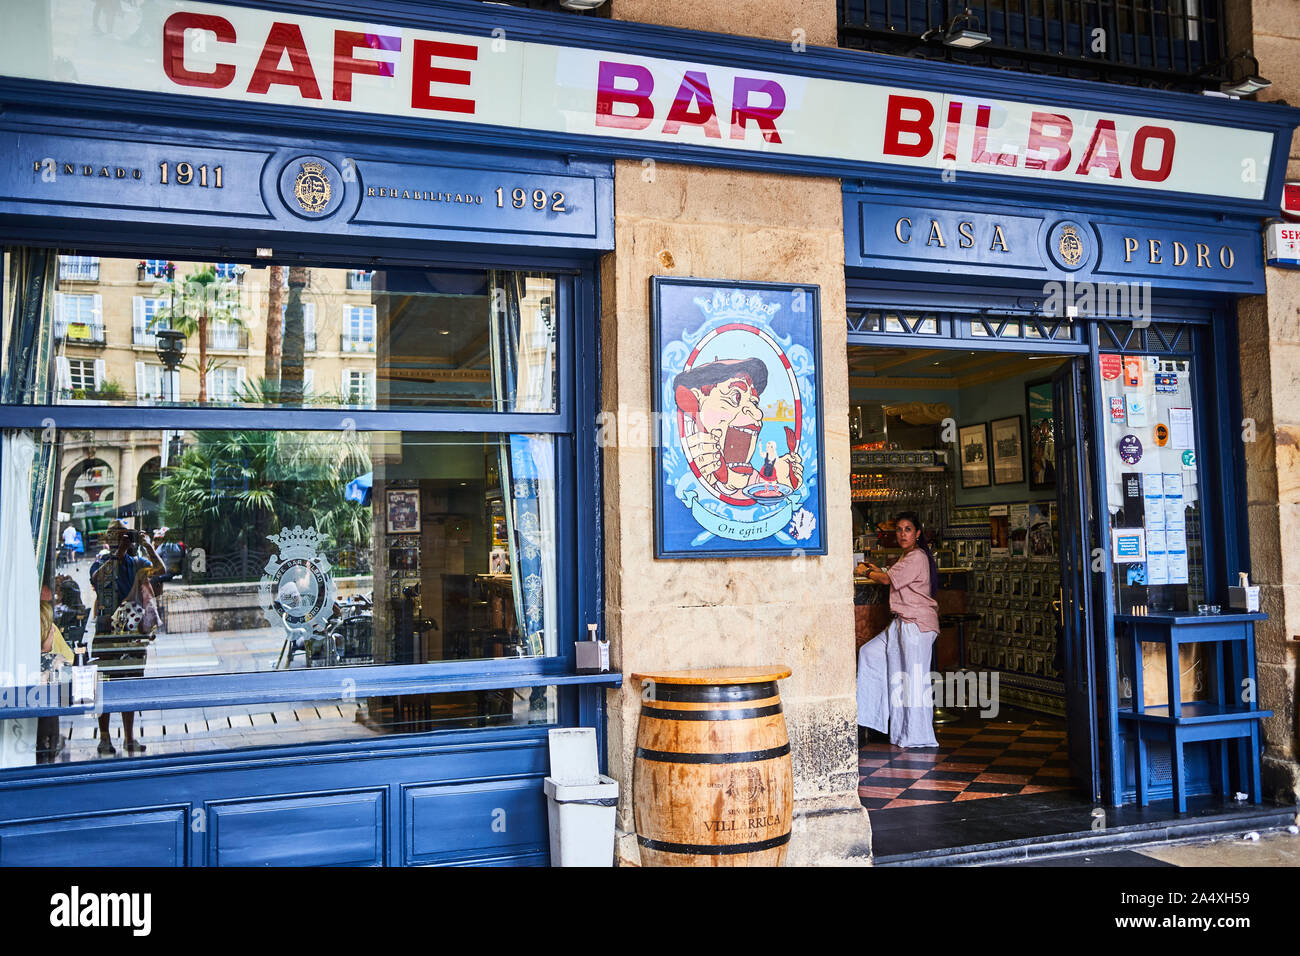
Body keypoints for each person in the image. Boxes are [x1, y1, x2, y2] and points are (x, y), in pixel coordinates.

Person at [856, 512, 941, 749]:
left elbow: (886, 581)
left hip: (917, 624)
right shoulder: (908, 555)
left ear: (917, 534)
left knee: (913, 681)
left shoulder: (917, 557)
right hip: (901, 622)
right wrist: (877, 569)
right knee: (870, 654)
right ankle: (879, 722)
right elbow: (889, 576)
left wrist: (865, 572)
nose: (902, 534)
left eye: (907, 530)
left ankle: (916, 735)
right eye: (899, 530)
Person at [89, 520, 165, 756]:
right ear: (110, 538)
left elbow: (160, 570)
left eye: (125, 536)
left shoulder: (137, 563)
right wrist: (117, 555)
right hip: (107, 633)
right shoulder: (102, 561)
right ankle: (104, 738)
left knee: (130, 683)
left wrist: (148, 545)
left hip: (132, 633)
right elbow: (98, 580)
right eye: (117, 535)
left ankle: (129, 737)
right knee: (105, 685)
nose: (122, 540)